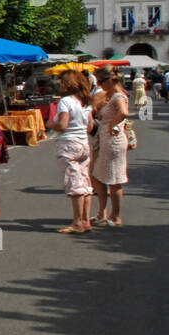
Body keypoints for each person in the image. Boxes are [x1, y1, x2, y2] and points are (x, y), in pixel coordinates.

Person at [50, 71, 95, 233]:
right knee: (85, 182)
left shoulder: (65, 101)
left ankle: (77, 222)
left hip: (68, 143)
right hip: (83, 142)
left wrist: (49, 124)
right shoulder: (86, 102)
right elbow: (90, 126)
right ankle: (85, 220)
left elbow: (62, 125)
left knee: (74, 183)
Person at [91, 68, 130, 226]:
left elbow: (123, 112)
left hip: (113, 141)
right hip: (105, 140)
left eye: (101, 81)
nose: (99, 84)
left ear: (110, 80)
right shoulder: (111, 96)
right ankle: (102, 213)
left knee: (113, 179)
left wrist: (113, 125)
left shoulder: (118, 96)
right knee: (98, 176)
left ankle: (115, 216)